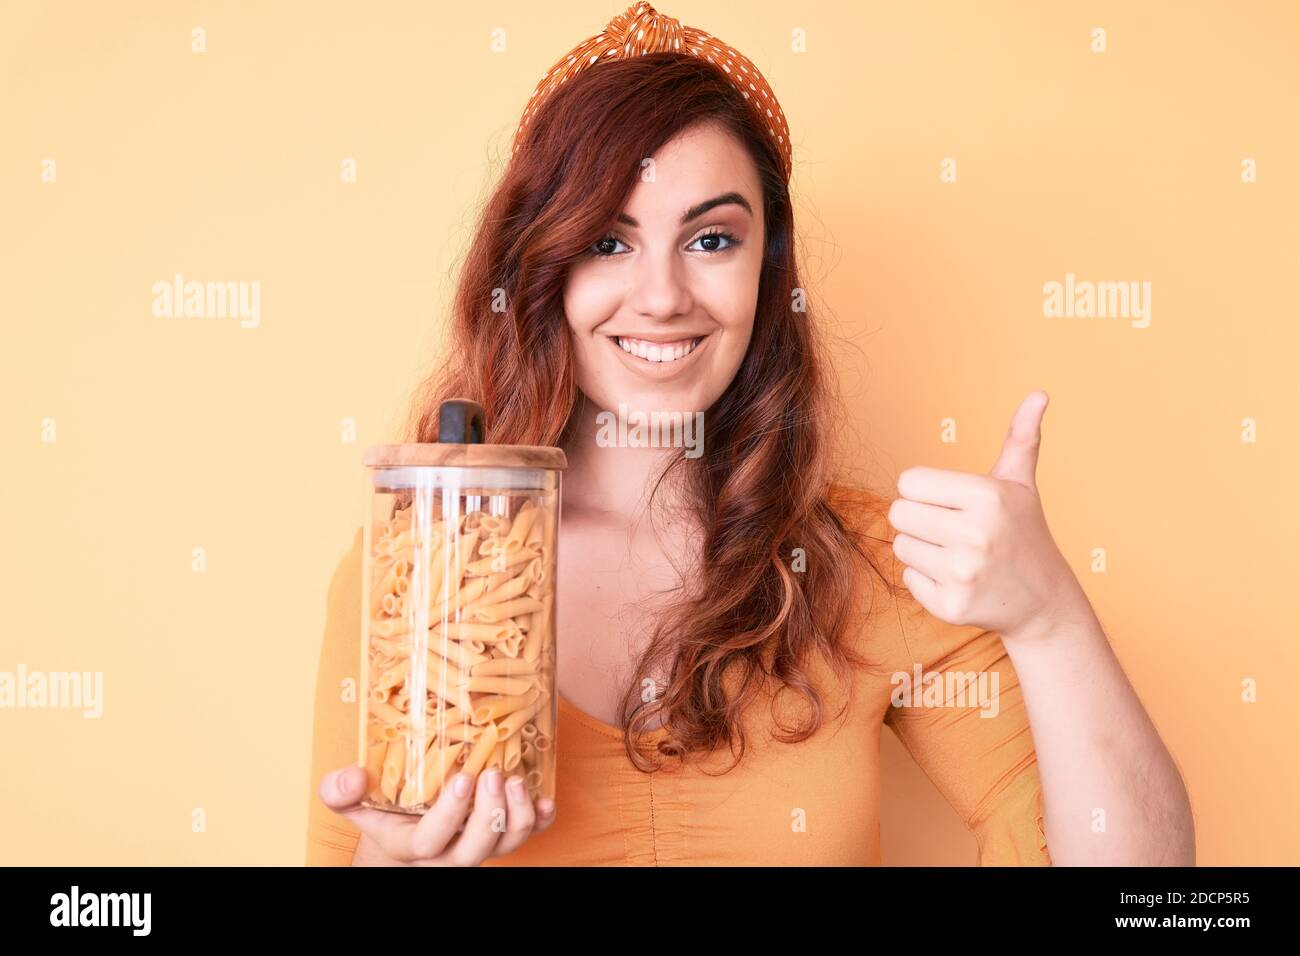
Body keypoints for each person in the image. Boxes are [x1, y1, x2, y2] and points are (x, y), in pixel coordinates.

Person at [307, 1, 1194, 866]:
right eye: (609, 244)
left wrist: (1050, 619)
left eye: (712, 239)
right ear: (542, 269)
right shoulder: (422, 568)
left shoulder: (877, 567)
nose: (661, 296)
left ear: (769, 276)